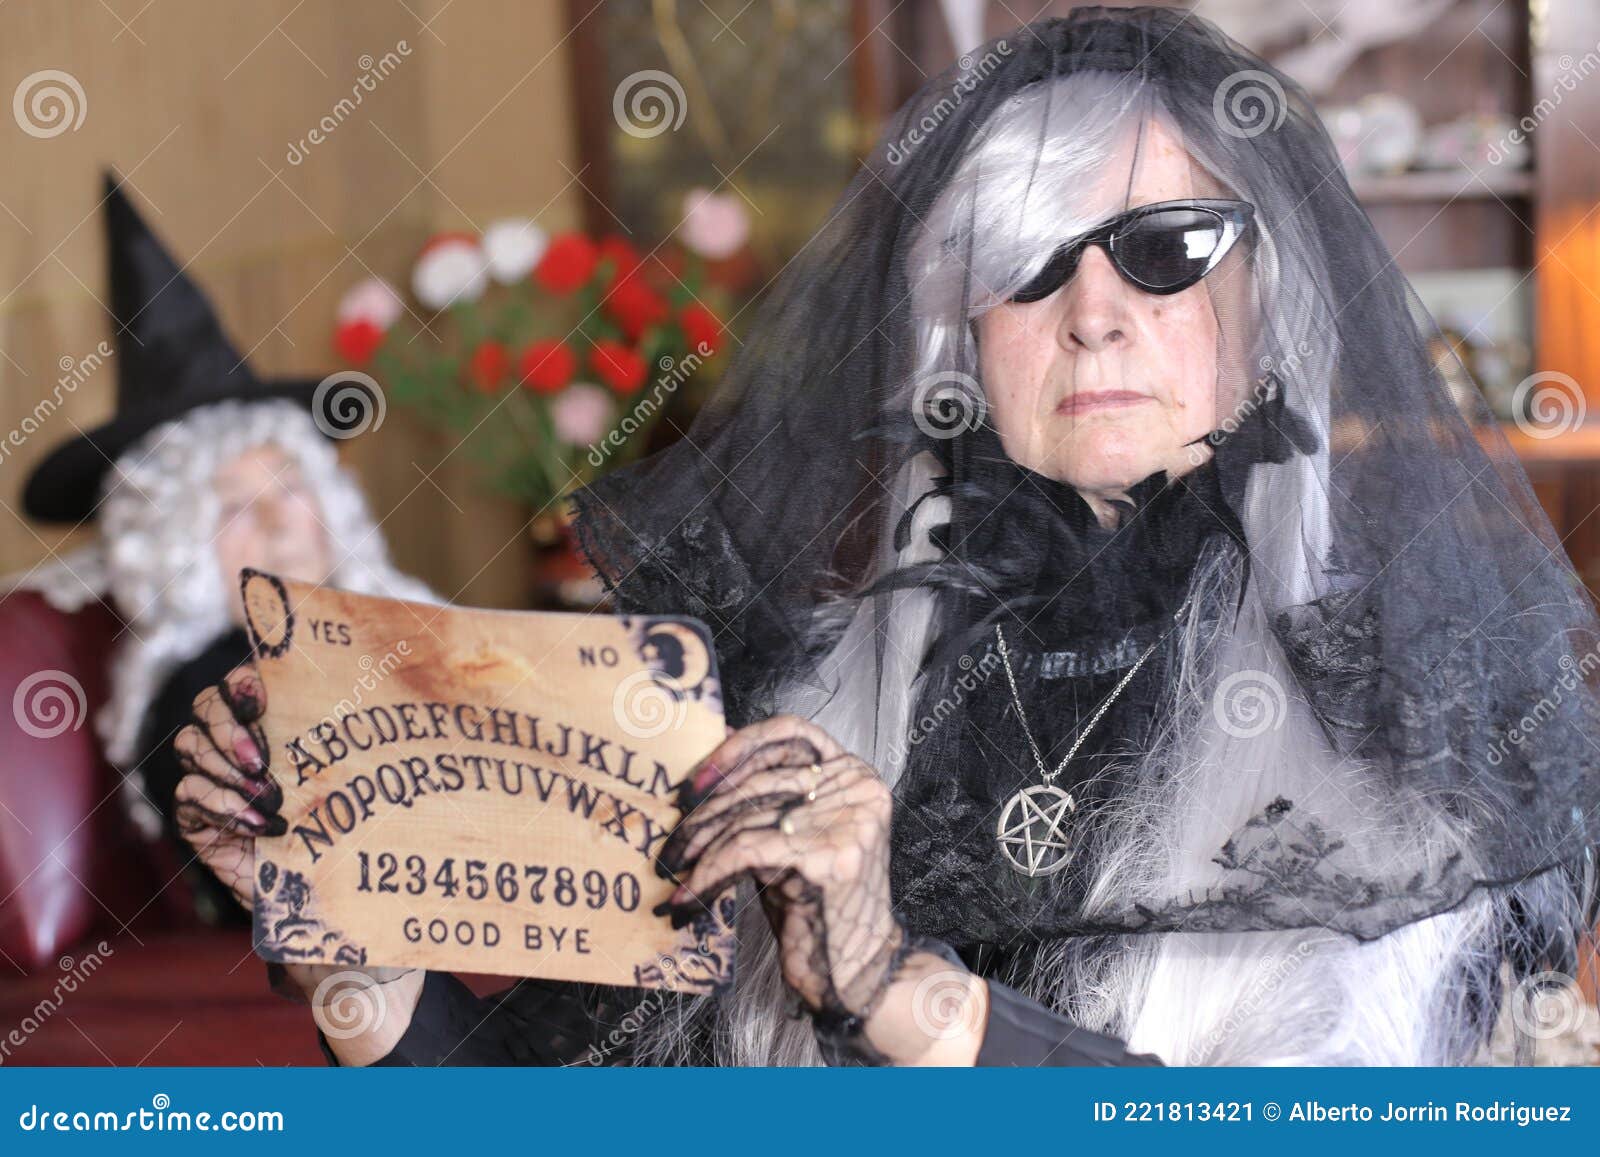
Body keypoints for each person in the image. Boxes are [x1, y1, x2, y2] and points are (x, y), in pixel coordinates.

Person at [176, 7, 1600, 1064]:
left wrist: (900, 988)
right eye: (1023, 264)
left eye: (1164, 252)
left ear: (1268, 322)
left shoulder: (1425, 707)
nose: (1093, 313)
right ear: (954, 338)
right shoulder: (776, 700)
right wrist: (351, 964)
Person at [10, 174, 432, 922]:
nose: (276, 519)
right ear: (173, 541)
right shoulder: (206, 694)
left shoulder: (375, 624)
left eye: (290, 486)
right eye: (234, 505)